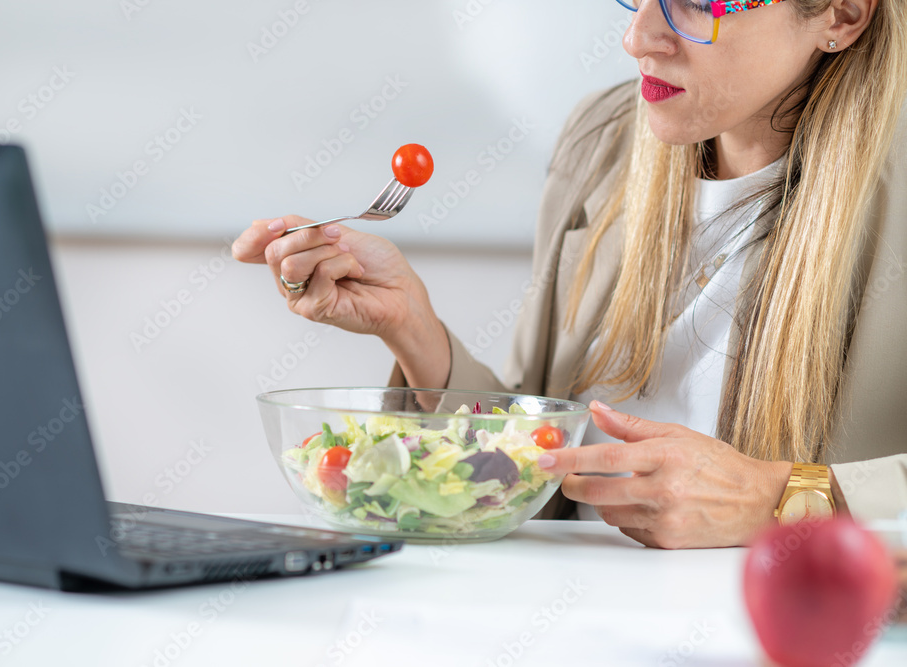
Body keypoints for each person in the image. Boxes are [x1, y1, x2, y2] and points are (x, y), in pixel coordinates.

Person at [233, 0, 907, 548]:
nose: (638, 35)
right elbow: (533, 460)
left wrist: (780, 497)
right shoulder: (603, 140)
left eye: (698, 3)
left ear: (842, 16)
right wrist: (414, 327)